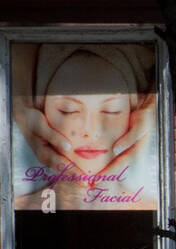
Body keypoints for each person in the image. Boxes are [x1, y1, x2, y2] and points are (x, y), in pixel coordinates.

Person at [13, 43, 158, 210]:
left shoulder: (162, 214)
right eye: (68, 110)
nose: (91, 131)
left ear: (133, 114)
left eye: (111, 111)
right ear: (41, 113)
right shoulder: (9, 214)